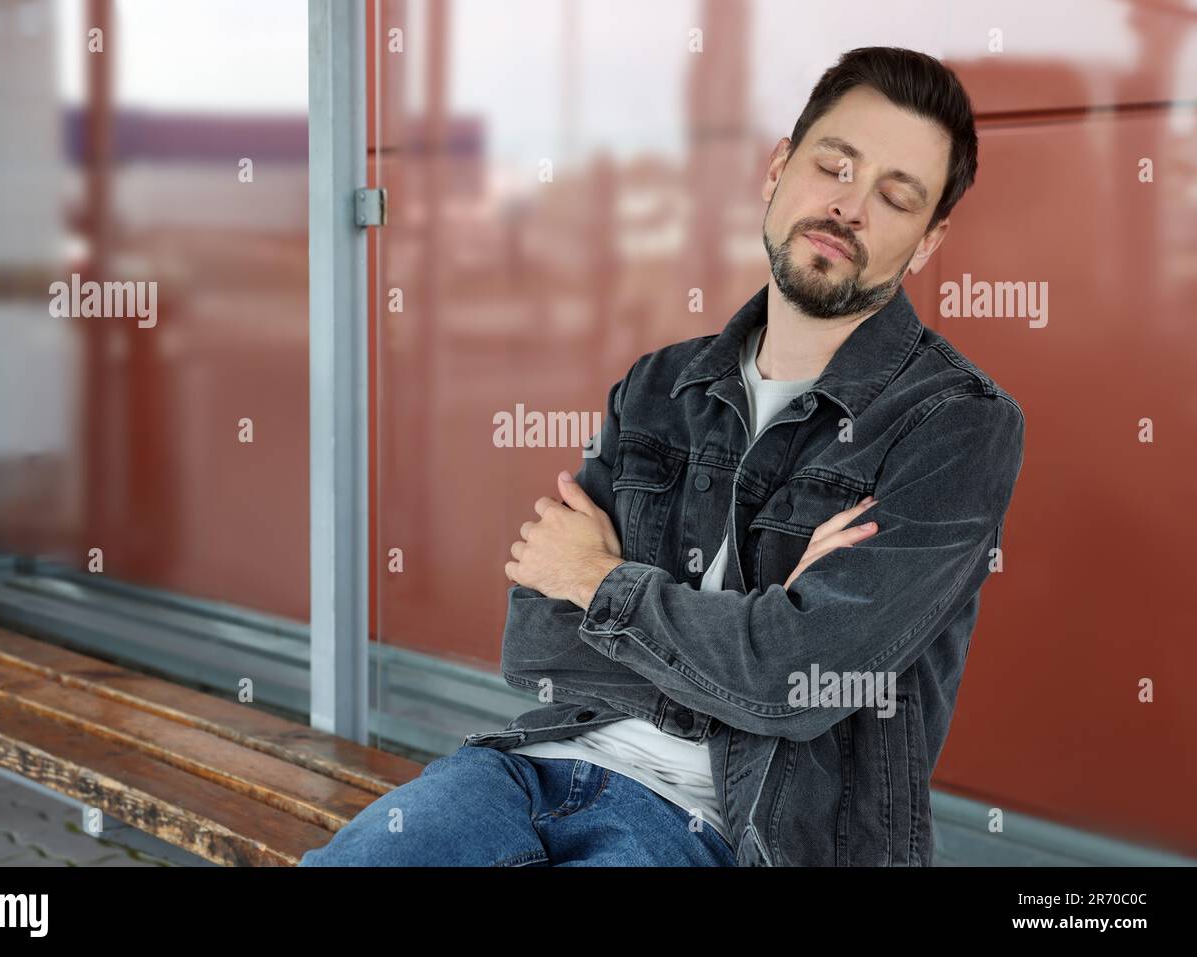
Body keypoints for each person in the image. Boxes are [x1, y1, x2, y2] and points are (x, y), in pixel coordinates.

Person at [300, 45, 1024, 867]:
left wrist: (599, 582)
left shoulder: (957, 426)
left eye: (895, 197)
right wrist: (755, 625)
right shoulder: (659, 386)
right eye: (834, 166)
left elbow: (796, 678)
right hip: (529, 770)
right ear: (778, 169)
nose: (849, 206)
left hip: (731, 828)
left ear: (927, 244)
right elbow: (535, 640)